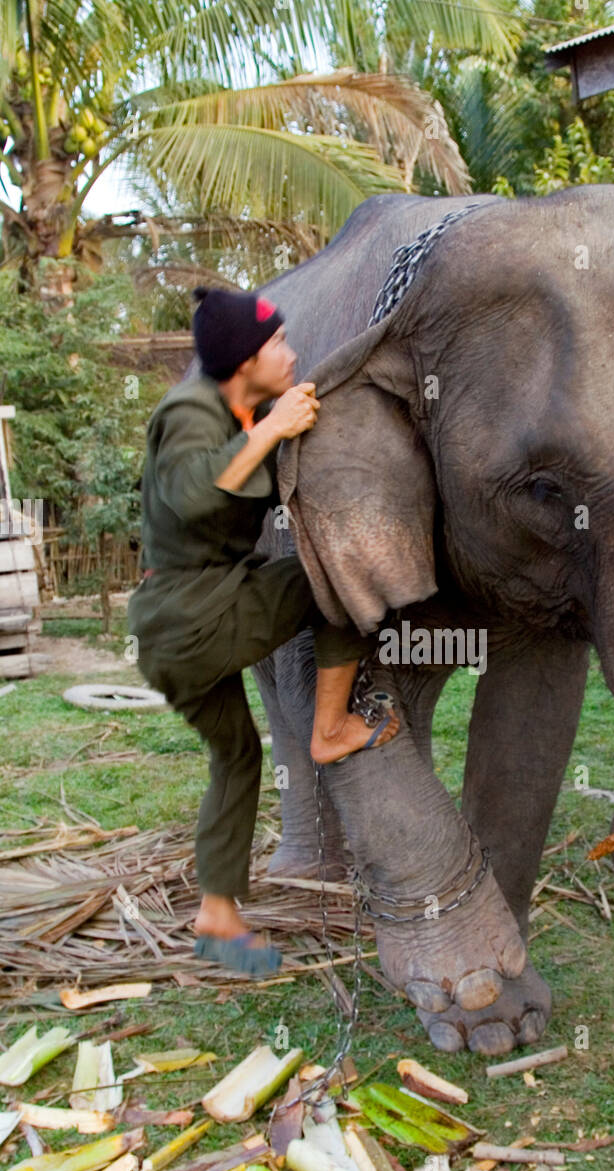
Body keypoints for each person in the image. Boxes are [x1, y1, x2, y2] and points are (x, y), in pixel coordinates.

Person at [127, 285, 398, 977]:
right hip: (191, 616)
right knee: (329, 576)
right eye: (277, 342)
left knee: (238, 756)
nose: (291, 351)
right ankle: (329, 728)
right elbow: (190, 493)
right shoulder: (190, 411)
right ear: (245, 359)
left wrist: (277, 425)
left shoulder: (240, 413)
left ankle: (218, 917)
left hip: (176, 627)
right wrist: (273, 428)